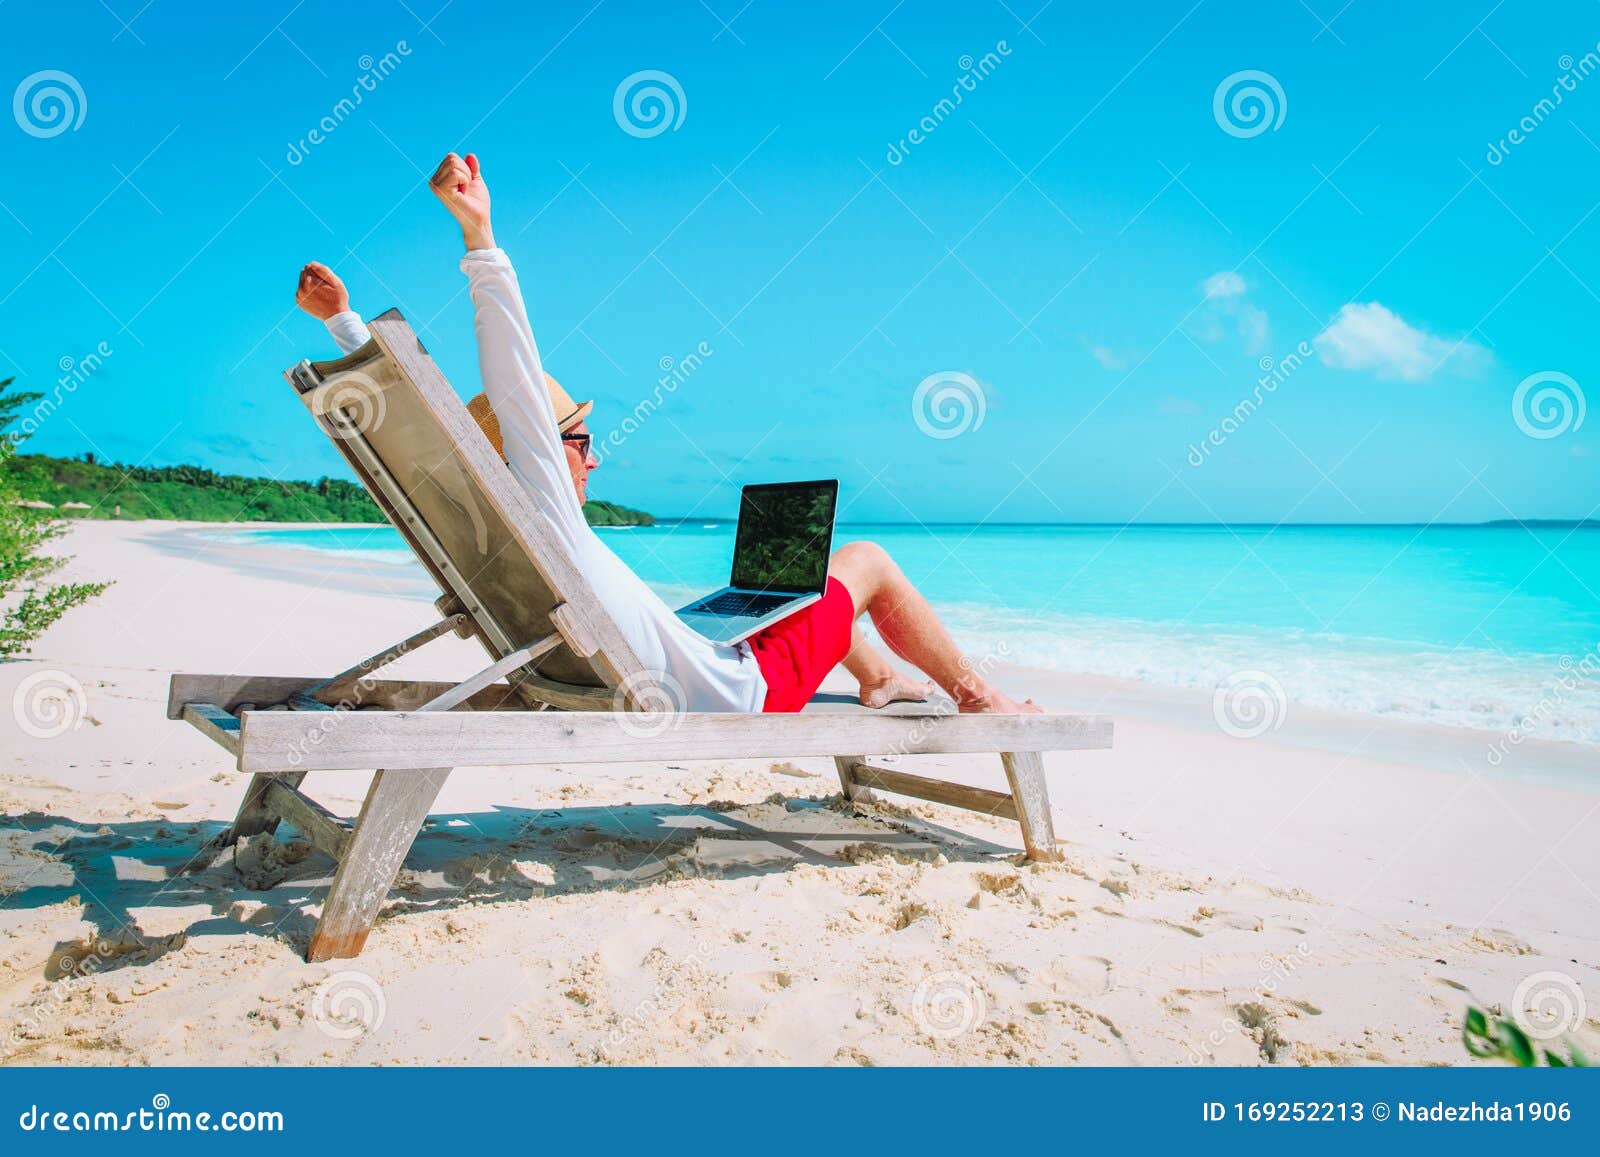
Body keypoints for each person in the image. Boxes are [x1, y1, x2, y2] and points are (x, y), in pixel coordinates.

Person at [293, 151, 1038, 715]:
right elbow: (516, 381)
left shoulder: (490, 524)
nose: (594, 456)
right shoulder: (543, 515)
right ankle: (980, 697)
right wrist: (481, 238)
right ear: (550, 453)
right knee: (866, 560)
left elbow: (422, 445)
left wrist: (343, 323)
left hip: (670, 666)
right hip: (734, 694)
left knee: (794, 593)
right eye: (582, 441)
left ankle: (877, 679)